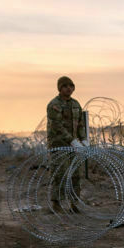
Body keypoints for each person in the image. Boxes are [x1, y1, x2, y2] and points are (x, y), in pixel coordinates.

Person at [46, 76, 87, 212]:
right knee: (60, 173)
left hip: (74, 146)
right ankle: (56, 203)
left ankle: (74, 203)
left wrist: (83, 139)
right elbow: (56, 126)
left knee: (76, 174)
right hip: (59, 145)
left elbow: (80, 124)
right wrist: (72, 140)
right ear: (60, 88)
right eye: (65, 86)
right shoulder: (54, 105)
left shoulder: (75, 104)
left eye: (71, 85)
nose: (68, 88)